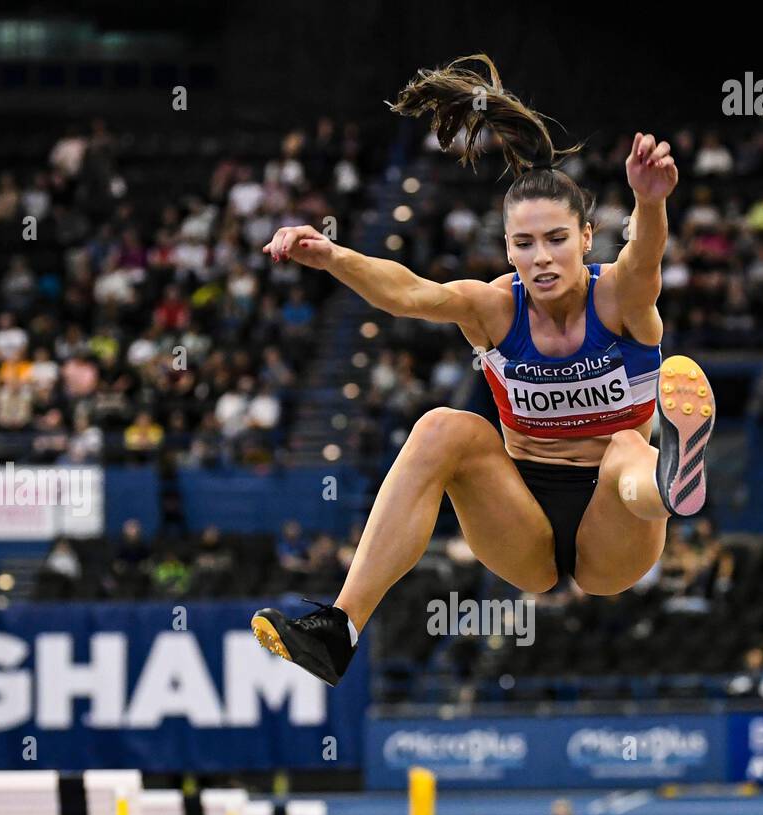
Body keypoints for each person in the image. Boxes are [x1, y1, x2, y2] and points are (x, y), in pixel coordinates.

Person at [249, 54, 716, 686]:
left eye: (555, 239)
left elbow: (646, 258)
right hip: (520, 525)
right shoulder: (495, 309)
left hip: (617, 531)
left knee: (627, 449)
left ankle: (669, 483)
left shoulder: (620, 301)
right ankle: (339, 628)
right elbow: (409, 293)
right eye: (523, 244)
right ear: (506, 247)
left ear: (585, 237)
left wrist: (649, 201)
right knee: (445, 426)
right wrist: (333, 255)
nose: (540, 258)